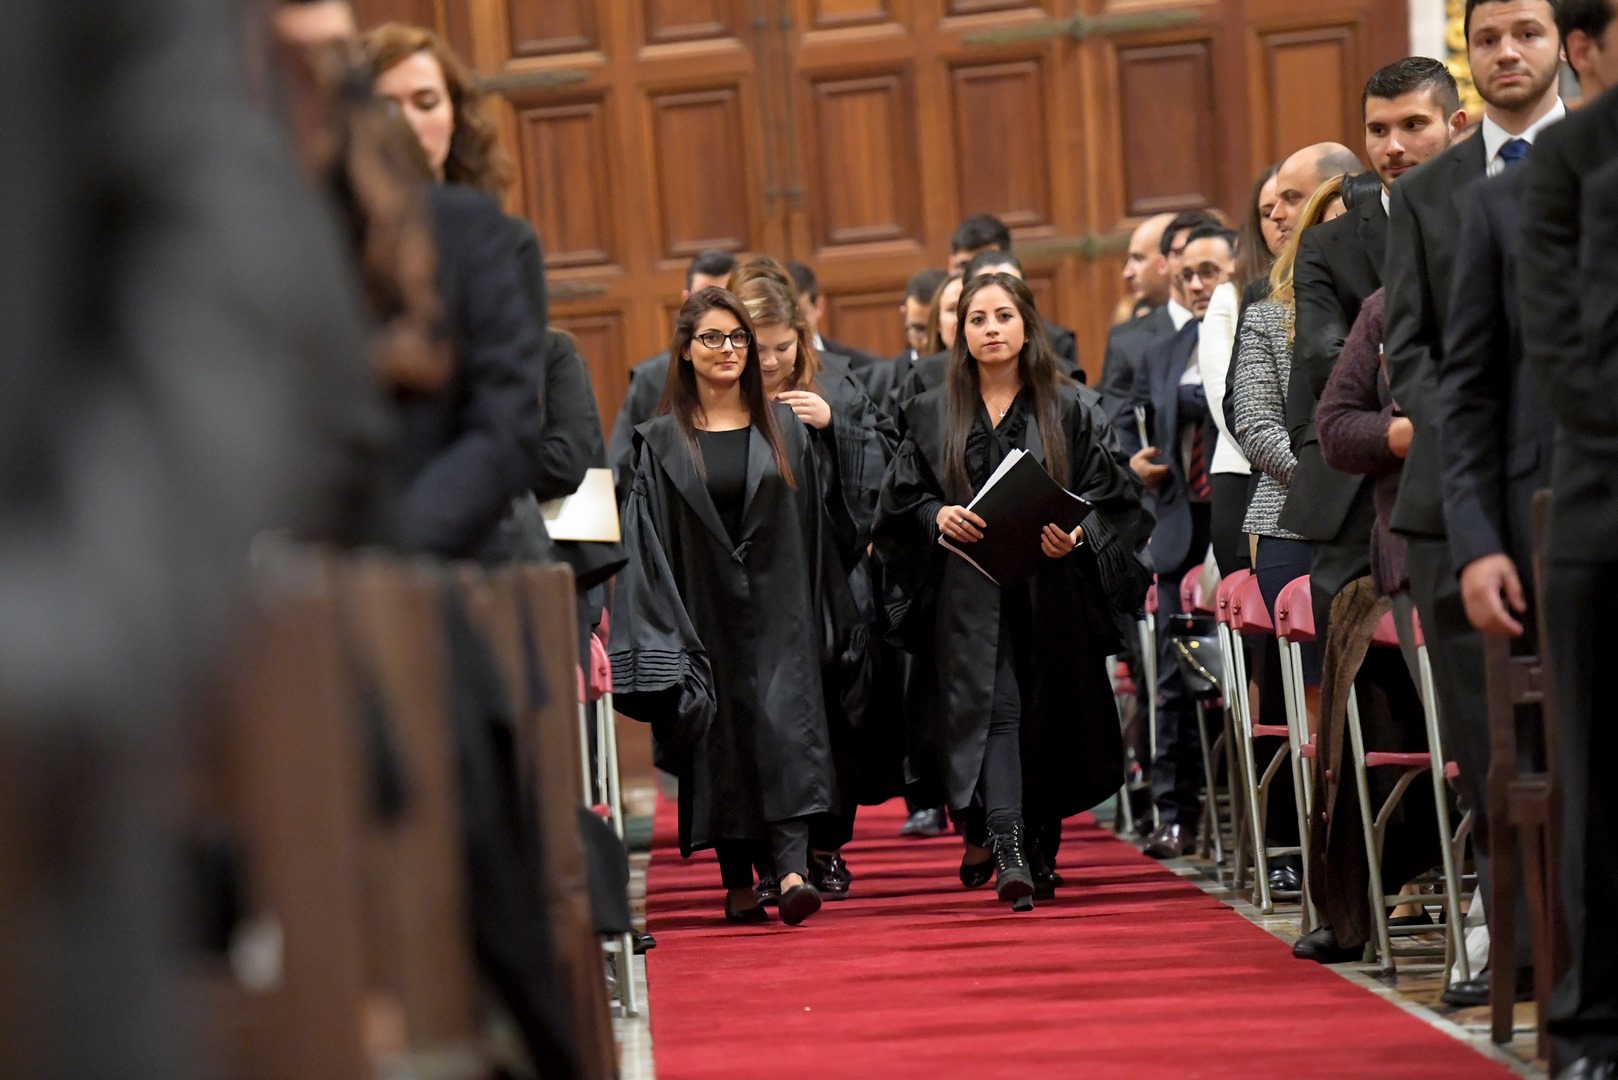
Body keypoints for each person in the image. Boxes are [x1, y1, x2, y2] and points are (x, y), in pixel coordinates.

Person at [1381, 0, 1564, 985]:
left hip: (1580, 502)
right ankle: (1523, 959)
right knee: (1491, 760)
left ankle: (1592, 963)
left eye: (1524, 33)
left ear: (1565, 45)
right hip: (1458, 515)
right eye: (1487, 36)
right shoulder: (1428, 194)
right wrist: (1475, 472)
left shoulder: (1600, 163)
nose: (1505, 52)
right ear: (1466, 50)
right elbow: (1407, 347)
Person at [873, 273, 1151, 910]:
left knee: (1044, 716)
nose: (991, 328)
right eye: (977, 319)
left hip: (1051, 592)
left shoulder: (1072, 407)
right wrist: (936, 518)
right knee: (996, 710)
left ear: (1028, 325)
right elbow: (900, 503)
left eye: (1003, 315)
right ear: (960, 333)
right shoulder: (929, 410)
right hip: (966, 595)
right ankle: (1008, 849)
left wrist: (1077, 539)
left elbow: (1116, 504)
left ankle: (1039, 849)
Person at [608, 287, 844, 928]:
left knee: (783, 725)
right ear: (684, 349)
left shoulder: (786, 428)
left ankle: (792, 870)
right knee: (723, 734)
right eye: (711, 337)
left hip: (779, 603)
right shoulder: (658, 444)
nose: (728, 350)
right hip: (702, 606)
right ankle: (738, 877)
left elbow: (816, 525)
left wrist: (824, 610)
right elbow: (648, 543)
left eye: (737, 337)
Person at [730, 260, 900, 899]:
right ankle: (774, 857)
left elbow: (882, 470)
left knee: (838, 713)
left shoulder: (839, 388)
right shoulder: (721, 393)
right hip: (756, 585)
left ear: (801, 336)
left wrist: (837, 426)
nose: (771, 362)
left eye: (782, 347)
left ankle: (826, 848)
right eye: (758, 347)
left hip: (832, 583)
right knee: (763, 718)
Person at [1516, 41, 1618, 1077]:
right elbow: (1562, 347)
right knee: (1595, 786)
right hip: (1604, 506)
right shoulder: (1567, 161)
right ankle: (1591, 1027)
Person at [1117, 223, 1239, 858]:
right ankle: (1175, 812)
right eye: (1188, 273)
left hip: (1238, 521)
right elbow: (1132, 419)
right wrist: (1138, 459)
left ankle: (1246, 816)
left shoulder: (1251, 332)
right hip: (1178, 523)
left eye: (1210, 271)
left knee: (1241, 680)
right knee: (1172, 676)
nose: (1197, 283)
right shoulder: (1164, 351)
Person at [608, 250, 738, 495]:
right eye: (704, 299)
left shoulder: (757, 370)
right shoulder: (651, 379)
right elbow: (623, 465)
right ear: (686, 300)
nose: (716, 312)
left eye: (726, 299)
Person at [944, 214, 1082, 374]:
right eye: (965, 265)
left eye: (1005, 317)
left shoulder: (1058, 343)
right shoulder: (928, 368)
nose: (980, 277)